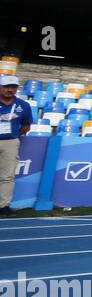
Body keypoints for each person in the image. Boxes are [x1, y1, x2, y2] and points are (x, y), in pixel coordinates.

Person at [0, 75, 35, 217]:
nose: (10, 90)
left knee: (7, 176)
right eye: (6, 87)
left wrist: (13, 135)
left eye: (13, 87)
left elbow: (26, 126)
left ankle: (3, 205)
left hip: (10, 142)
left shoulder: (23, 105)